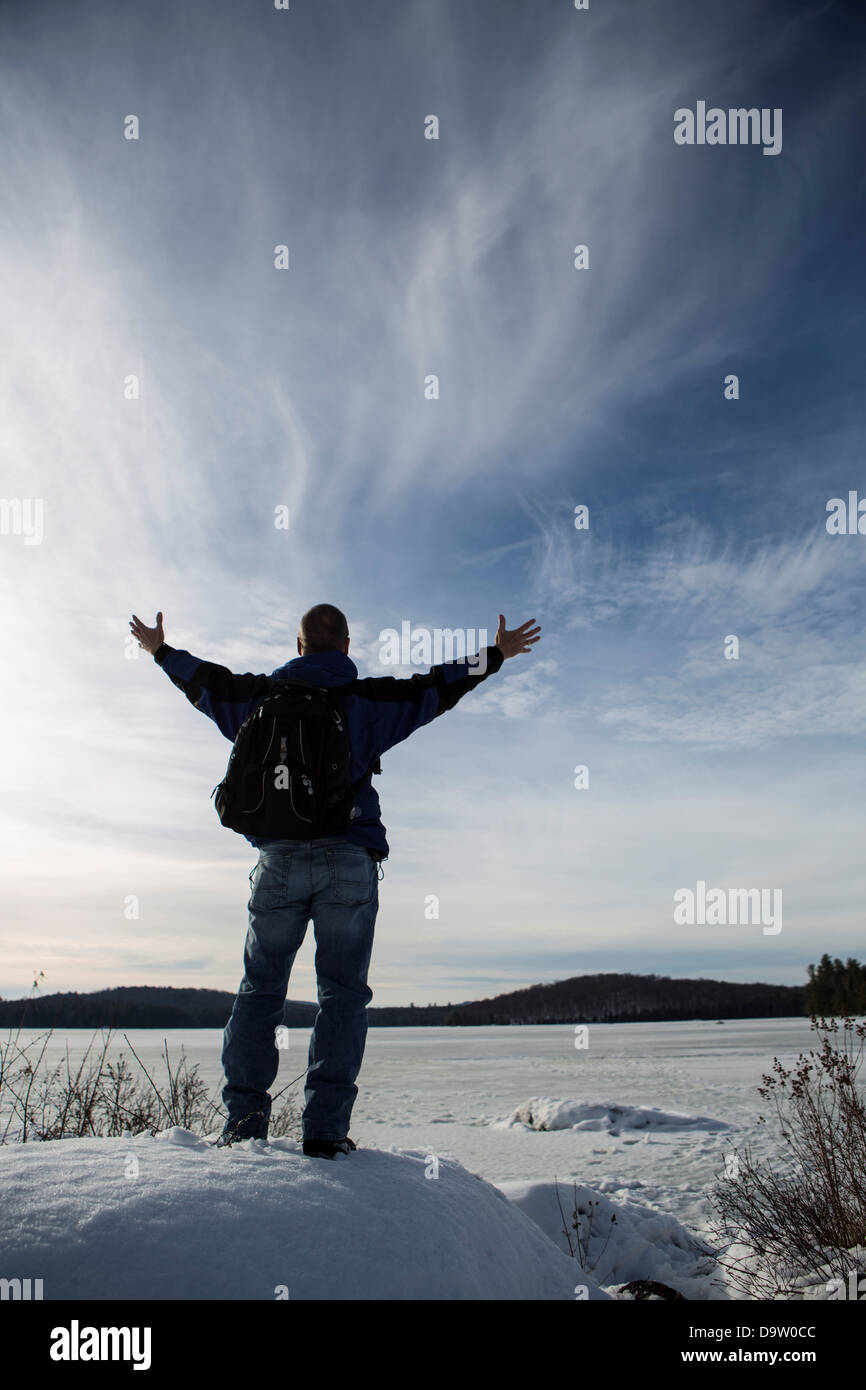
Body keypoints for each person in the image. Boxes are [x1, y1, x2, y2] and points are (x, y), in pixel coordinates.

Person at [129, 604, 541, 1157]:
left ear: (298, 647)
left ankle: (243, 1128)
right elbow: (435, 689)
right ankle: (324, 1134)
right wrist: (495, 655)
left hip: (275, 864)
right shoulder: (367, 701)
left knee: (260, 991)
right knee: (342, 995)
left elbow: (203, 682)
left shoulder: (257, 699)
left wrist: (159, 650)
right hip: (348, 859)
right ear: (345, 646)